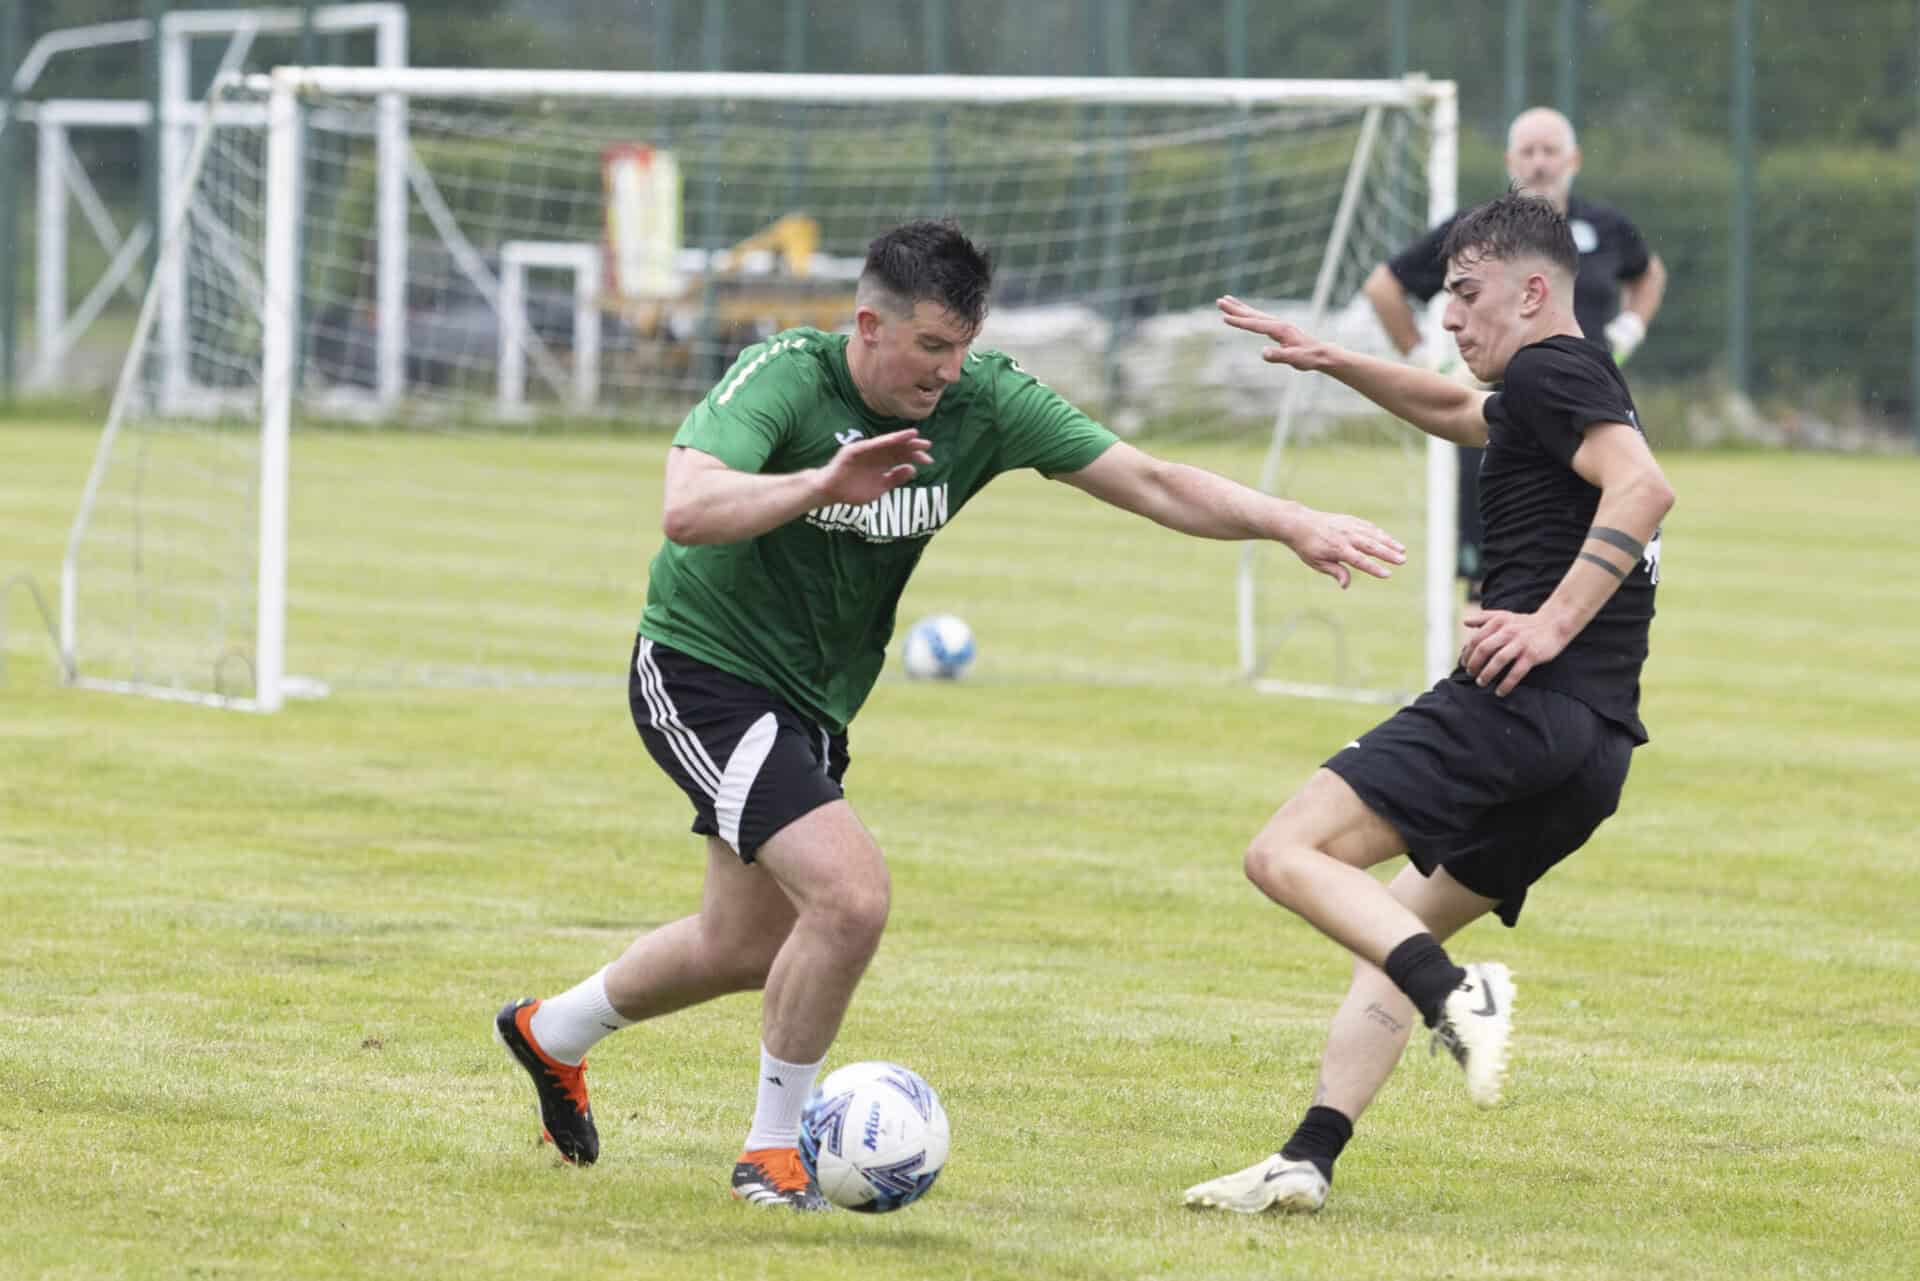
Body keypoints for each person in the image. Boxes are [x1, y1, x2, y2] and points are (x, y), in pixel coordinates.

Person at [493, 218, 1407, 1211]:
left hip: (815, 700)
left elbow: (1147, 479)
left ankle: (553, 1033)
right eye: (931, 347)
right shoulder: (785, 379)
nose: (948, 370)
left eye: (962, 347)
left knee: (747, 944)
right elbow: (688, 505)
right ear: (868, 325)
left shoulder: (985, 399)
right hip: (703, 670)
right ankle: (772, 1153)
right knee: (850, 898)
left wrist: (1289, 521)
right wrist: (819, 486)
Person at [1185, 191, 1674, 1216]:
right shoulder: (1560, 381)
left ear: (1534, 291)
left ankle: (1461, 992)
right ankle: (1307, 1157)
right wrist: (1336, 359)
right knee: (1390, 933)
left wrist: (1543, 624)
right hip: (1591, 755)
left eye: (1466, 294)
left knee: (1285, 854)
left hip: (1518, 702)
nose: (1448, 317)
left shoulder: (1551, 366)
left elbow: (1643, 491)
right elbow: (1459, 412)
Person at [1361, 106, 1667, 599]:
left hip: (1589, 412)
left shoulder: (1605, 226)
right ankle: (1483, 672)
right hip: (1500, 417)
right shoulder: (1475, 231)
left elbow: (1649, 273)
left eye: (1551, 151)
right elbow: (1384, 287)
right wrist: (1427, 361)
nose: (1540, 163)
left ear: (1574, 159)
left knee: (1603, 559)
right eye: (1528, 151)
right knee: (1494, 578)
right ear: (1509, 160)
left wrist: (1630, 329)